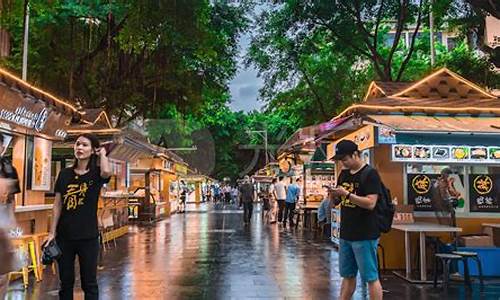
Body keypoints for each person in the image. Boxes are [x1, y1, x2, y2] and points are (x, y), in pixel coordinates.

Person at [45, 133, 111, 300]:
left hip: (88, 237)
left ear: (92, 150)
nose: (79, 148)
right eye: (77, 144)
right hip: (64, 237)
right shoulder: (64, 174)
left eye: (84, 145)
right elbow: (57, 205)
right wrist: (52, 233)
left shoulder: (96, 174)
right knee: (65, 282)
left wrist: (102, 154)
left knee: (89, 283)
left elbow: (106, 171)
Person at [330, 140, 383, 300]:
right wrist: (333, 196)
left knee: (370, 278)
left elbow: (371, 203)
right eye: (340, 160)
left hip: (365, 234)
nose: (342, 163)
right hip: (346, 234)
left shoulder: (370, 174)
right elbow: (337, 203)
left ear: (355, 154)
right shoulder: (344, 174)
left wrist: (347, 194)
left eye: (345, 159)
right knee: (347, 275)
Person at [0, 133, 20, 299]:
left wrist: (11, 221)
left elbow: (12, 198)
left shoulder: (8, 168)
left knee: (2, 273)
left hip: (2, 227)